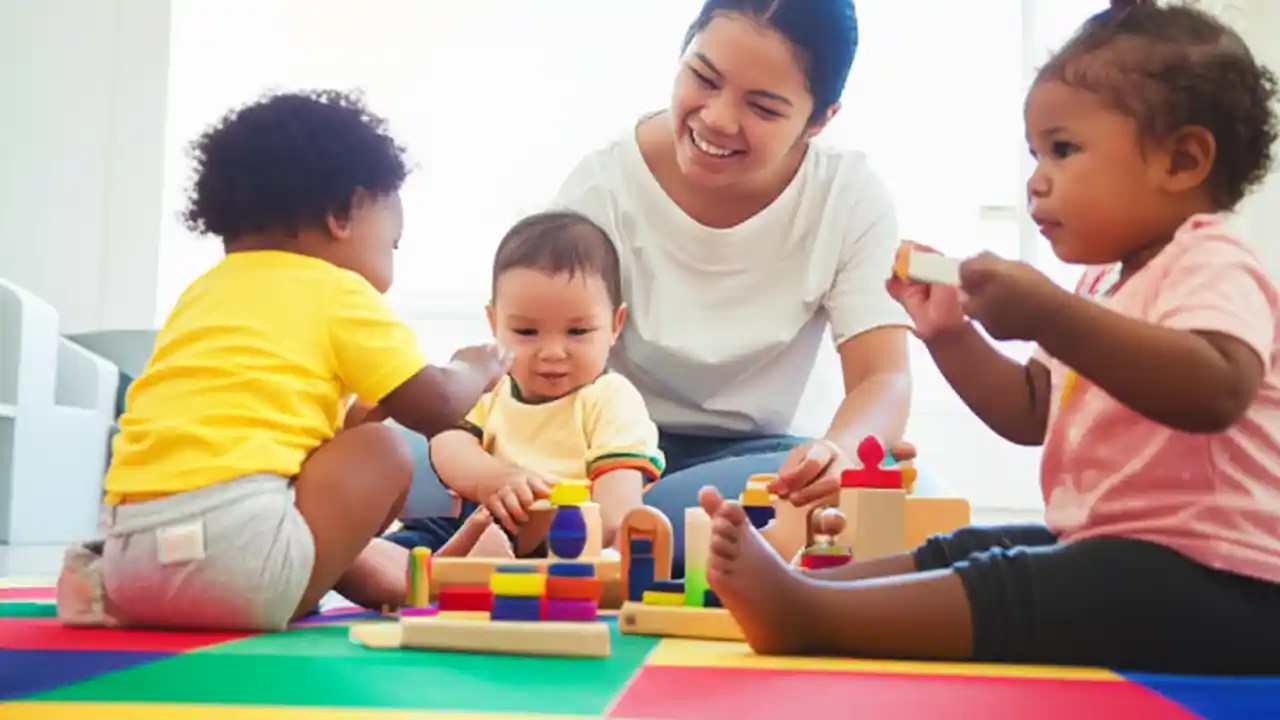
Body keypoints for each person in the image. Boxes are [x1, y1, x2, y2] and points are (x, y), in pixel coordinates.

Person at [696, 0, 1280, 674]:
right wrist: (949, 334)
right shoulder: (1102, 291)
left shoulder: (1211, 262)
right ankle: (812, 586)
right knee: (980, 548)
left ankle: (812, 616)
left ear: (1181, 161)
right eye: (1035, 153)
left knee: (1033, 581)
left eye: (1063, 150)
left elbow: (1217, 388)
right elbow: (1033, 410)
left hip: (1231, 583)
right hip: (1134, 559)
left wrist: (1049, 314)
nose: (1036, 180)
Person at [401, 0, 925, 563]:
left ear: (819, 120)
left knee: (870, 484)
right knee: (400, 450)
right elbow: (526, 342)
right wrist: (476, 451)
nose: (719, 119)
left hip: (747, 459)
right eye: (703, 77)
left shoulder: (846, 195)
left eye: (764, 107)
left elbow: (881, 378)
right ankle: (618, 542)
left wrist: (841, 452)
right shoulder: (605, 187)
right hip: (589, 444)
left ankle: (564, 541)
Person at [55, 89, 511, 632]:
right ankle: (286, 591)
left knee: (331, 449)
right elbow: (434, 406)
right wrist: (474, 368)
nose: (391, 263)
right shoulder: (338, 290)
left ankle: (167, 588)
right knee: (384, 451)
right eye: (393, 244)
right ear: (342, 214)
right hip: (234, 562)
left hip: (128, 559)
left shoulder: (203, 294)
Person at [388, 211, 664, 557]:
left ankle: (461, 568)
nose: (551, 353)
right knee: (415, 541)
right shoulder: (490, 385)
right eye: (526, 332)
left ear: (615, 324)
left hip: (565, 537)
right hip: (477, 520)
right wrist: (493, 478)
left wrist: (599, 540)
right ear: (494, 322)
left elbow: (617, 502)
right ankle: (359, 564)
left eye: (577, 332)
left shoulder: (611, 398)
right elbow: (449, 444)